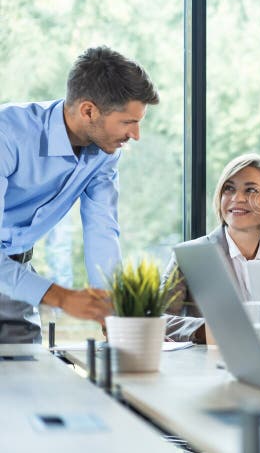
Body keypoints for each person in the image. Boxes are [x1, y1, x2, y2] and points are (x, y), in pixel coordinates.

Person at [0, 46, 159, 343]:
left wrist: (110, 309)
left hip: (16, 275)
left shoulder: (105, 153)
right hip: (12, 275)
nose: (136, 135)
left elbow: (102, 228)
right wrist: (61, 297)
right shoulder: (7, 135)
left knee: (31, 376)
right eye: (128, 122)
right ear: (89, 110)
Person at [164, 153, 260, 342]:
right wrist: (206, 330)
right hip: (211, 367)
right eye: (229, 189)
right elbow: (155, 320)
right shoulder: (190, 256)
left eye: (250, 190)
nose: (237, 198)